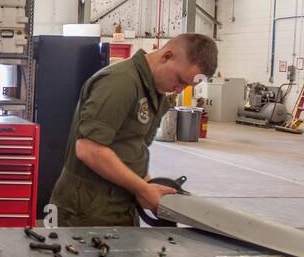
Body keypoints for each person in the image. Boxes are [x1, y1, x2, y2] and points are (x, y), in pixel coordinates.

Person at [49, 33, 218, 227]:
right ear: (166, 56)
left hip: (121, 205)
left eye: (188, 86)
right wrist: (143, 189)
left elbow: (132, 148)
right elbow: (89, 149)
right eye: (180, 80)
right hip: (85, 209)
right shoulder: (119, 83)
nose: (179, 90)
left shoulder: (157, 93)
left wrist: (149, 186)